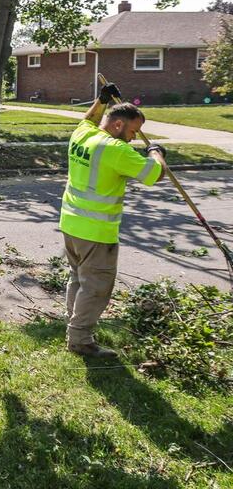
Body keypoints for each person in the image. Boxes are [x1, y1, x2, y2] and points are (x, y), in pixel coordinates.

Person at [60, 85, 168, 357]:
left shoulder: (83, 134)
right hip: (97, 232)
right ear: (118, 125)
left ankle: (74, 326)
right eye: (132, 132)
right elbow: (155, 174)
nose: (133, 139)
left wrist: (101, 100)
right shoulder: (116, 150)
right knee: (95, 288)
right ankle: (80, 341)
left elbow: (89, 119)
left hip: (71, 225)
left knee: (78, 279)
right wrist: (156, 151)